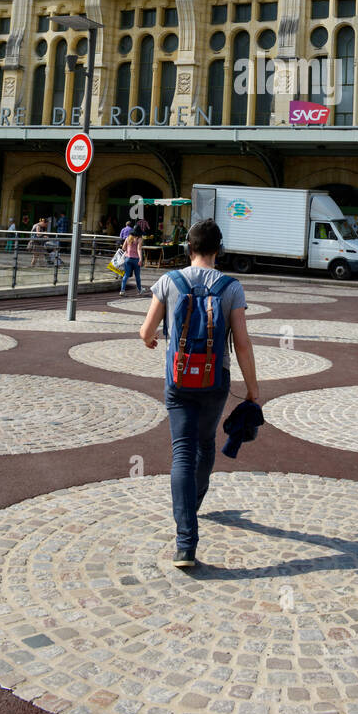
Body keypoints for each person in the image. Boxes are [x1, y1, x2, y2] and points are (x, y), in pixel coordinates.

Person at [139, 219, 259, 570]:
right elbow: (242, 343)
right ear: (218, 250)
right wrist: (252, 390)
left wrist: (149, 338)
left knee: (182, 451)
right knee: (205, 445)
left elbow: (146, 331)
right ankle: (196, 499)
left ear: (188, 248)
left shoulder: (168, 281)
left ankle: (185, 544)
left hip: (178, 380)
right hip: (215, 379)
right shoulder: (231, 287)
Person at [118, 224, 144, 296]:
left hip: (127, 258)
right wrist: (141, 259)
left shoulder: (128, 238)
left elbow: (123, 248)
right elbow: (139, 249)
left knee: (126, 275)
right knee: (137, 276)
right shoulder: (139, 239)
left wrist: (128, 251)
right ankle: (139, 290)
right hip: (136, 259)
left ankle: (122, 290)